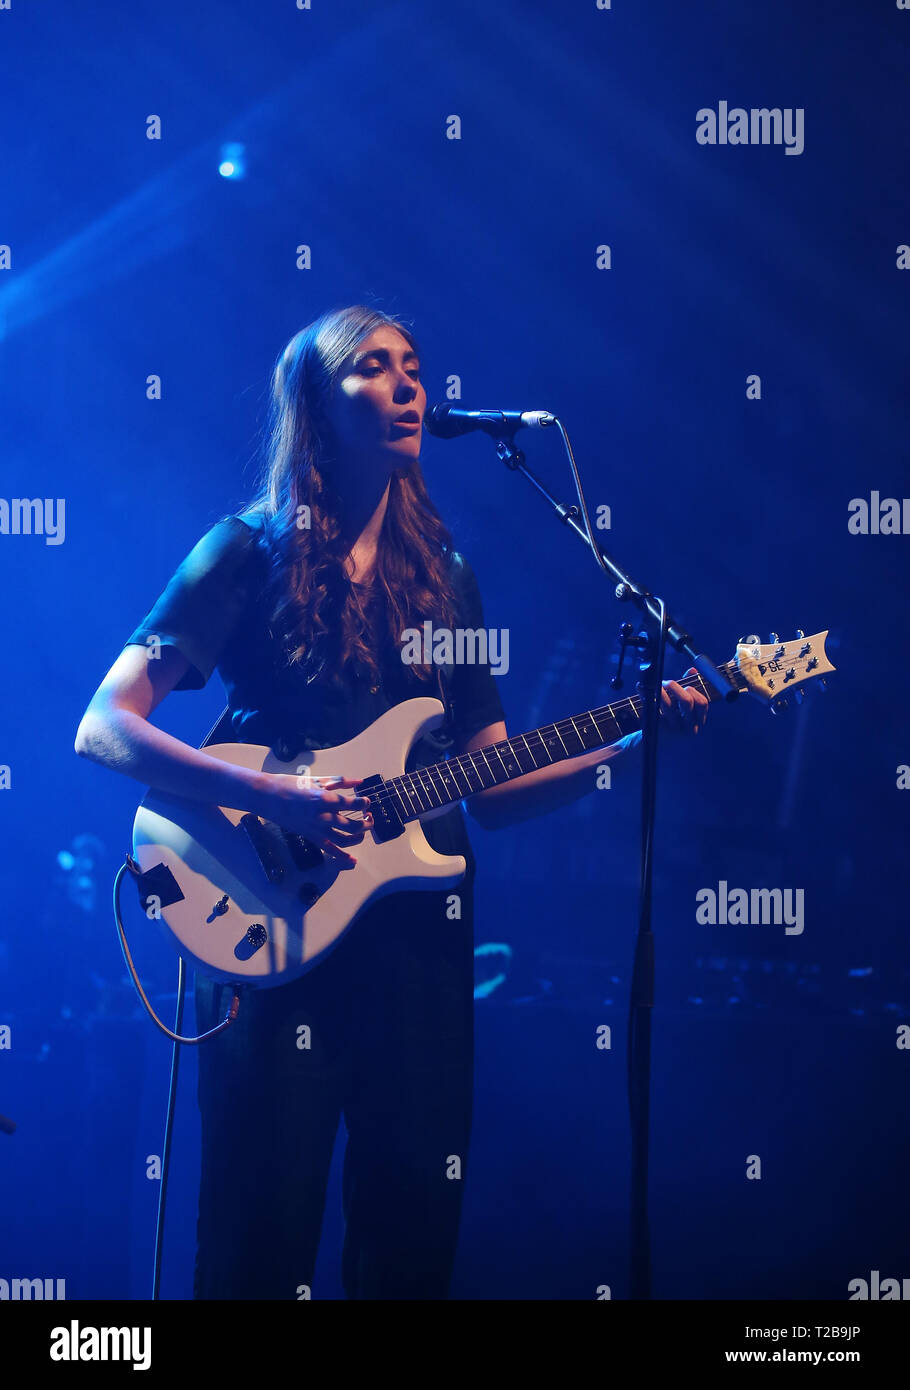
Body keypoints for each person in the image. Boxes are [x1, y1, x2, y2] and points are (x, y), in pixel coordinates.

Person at [74, 304, 708, 1300]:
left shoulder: (448, 579)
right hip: (265, 924)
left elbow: (491, 785)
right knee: (257, 1233)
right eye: (375, 366)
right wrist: (269, 793)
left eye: (415, 364)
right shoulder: (244, 550)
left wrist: (628, 742)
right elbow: (106, 725)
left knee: (411, 1234)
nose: (409, 383)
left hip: (415, 945)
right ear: (320, 403)